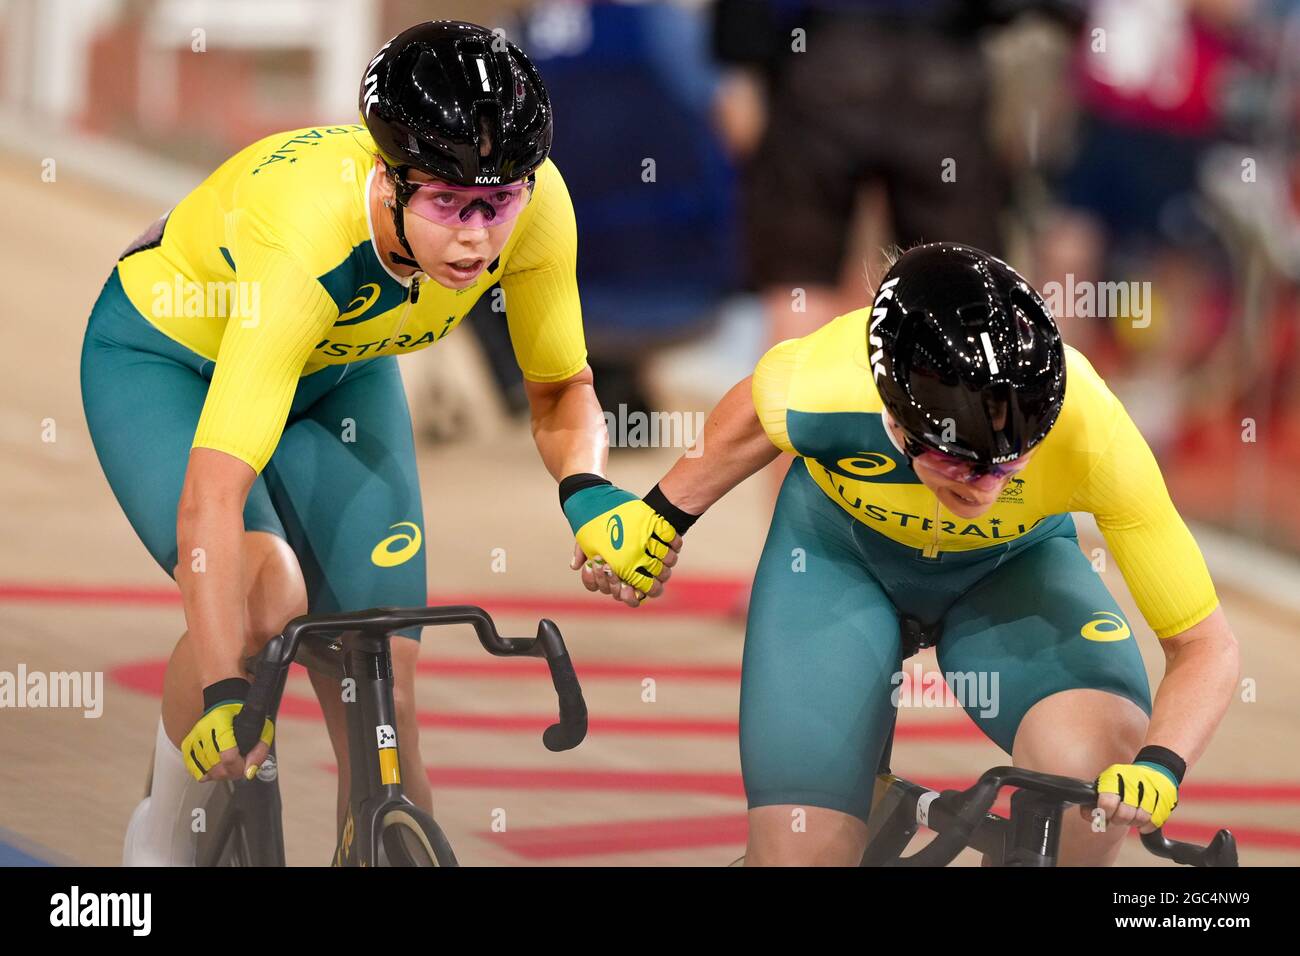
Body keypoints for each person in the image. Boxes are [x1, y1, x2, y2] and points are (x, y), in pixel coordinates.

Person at [82, 19, 668, 865]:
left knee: (384, 695)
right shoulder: (307, 239)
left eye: (498, 203)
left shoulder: (537, 209)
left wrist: (589, 492)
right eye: (447, 204)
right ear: (386, 181)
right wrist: (223, 686)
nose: (477, 236)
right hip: (168, 363)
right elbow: (210, 496)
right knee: (262, 599)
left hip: (335, 369)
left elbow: (560, 390)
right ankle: (163, 845)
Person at [583, 242, 1240, 865]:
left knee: (1087, 786)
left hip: (1010, 572)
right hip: (838, 560)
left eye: (1009, 463)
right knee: (800, 854)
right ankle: (856, 806)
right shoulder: (830, 375)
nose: (983, 486)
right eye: (959, 461)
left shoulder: (1091, 427)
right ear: (893, 418)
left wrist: (1160, 763)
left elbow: (1204, 644)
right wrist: (661, 516)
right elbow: (753, 418)